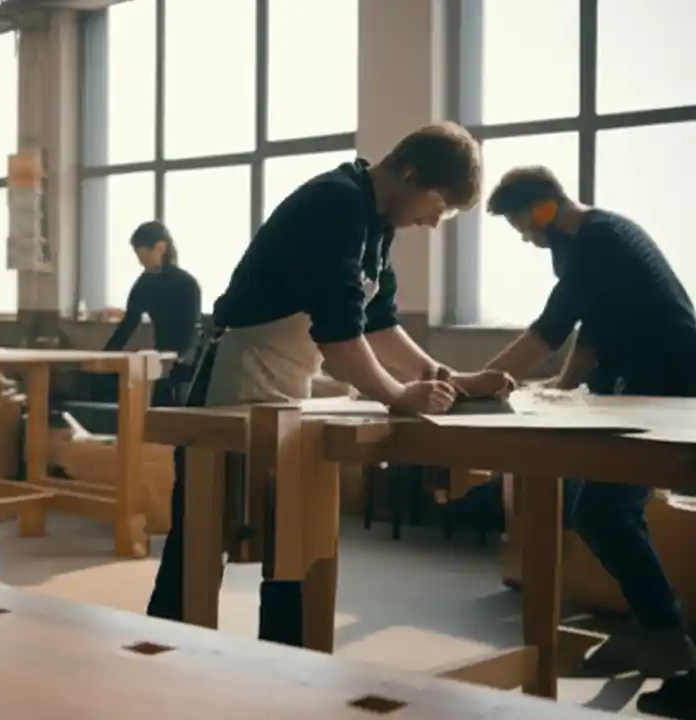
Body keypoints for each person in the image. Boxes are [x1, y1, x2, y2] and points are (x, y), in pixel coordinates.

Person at [146, 122, 515, 626]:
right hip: (236, 377)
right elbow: (339, 341)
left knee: (290, 539)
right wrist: (399, 395)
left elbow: (377, 322)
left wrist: (447, 376)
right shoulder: (336, 203)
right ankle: (162, 655)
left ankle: (291, 668)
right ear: (410, 174)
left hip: (285, 392)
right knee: (202, 537)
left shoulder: (376, 222)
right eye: (439, 206)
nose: (433, 222)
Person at [478, 165, 696, 680]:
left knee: (603, 511)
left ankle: (664, 635)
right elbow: (592, 328)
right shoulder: (573, 247)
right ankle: (658, 629)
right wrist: (563, 386)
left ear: (543, 208)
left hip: (671, 380)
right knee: (604, 510)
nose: (526, 239)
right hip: (633, 380)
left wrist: (479, 383)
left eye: (523, 226)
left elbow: (551, 327)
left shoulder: (601, 237)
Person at [102, 221, 202, 406]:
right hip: (160, 360)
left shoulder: (187, 284)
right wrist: (106, 356)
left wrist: (181, 360)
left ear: (160, 248)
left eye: (143, 255)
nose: (140, 261)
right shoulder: (144, 284)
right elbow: (128, 324)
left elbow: (191, 331)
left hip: (185, 364)